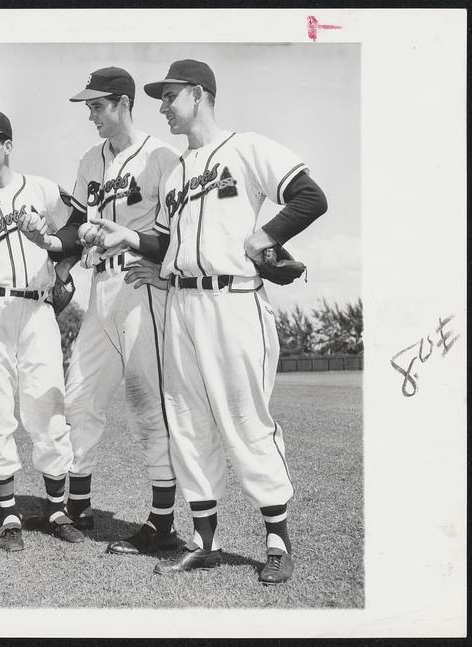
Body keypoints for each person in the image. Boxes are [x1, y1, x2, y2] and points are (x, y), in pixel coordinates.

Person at [86, 60, 328, 583]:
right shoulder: (175, 170)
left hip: (233, 300)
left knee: (246, 420)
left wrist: (264, 237)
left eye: (170, 96)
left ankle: (277, 541)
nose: (163, 107)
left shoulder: (247, 147)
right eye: (160, 99)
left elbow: (311, 197)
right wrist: (131, 239)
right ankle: (205, 541)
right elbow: (166, 243)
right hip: (181, 304)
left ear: (199, 95)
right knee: (187, 422)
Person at [17, 67, 183, 556]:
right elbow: (76, 226)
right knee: (80, 398)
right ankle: (79, 506)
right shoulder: (91, 159)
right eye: (88, 106)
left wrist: (162, 266)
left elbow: (180, 228)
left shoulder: (161, 156)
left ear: (123, 103)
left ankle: (162, 523)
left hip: (140, 284)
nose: (90, 115)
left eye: (97, 106)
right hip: (100, 288)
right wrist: (49, 241)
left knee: (147, 405)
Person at [0, 108, 86, 551]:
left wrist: (61, 265)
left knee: (48, 405)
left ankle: (57, 509)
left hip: (37, 306)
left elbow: (79, 225)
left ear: (7, 145)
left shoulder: (41, 189)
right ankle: (8, 515)